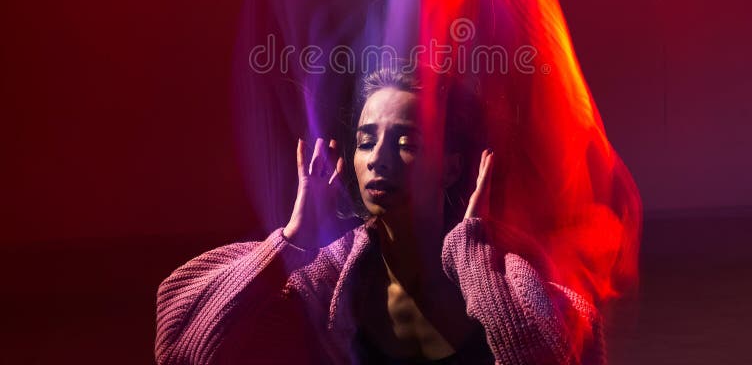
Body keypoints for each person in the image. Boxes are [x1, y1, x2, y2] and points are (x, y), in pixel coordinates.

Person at [155, 66, 606, 364]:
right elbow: (182, 346)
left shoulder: (506, 274)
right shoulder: (325, 279)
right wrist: (292, 241)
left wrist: (475, 264)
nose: (378, 159)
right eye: (366, 141)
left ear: (450, 167)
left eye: (406, 143)